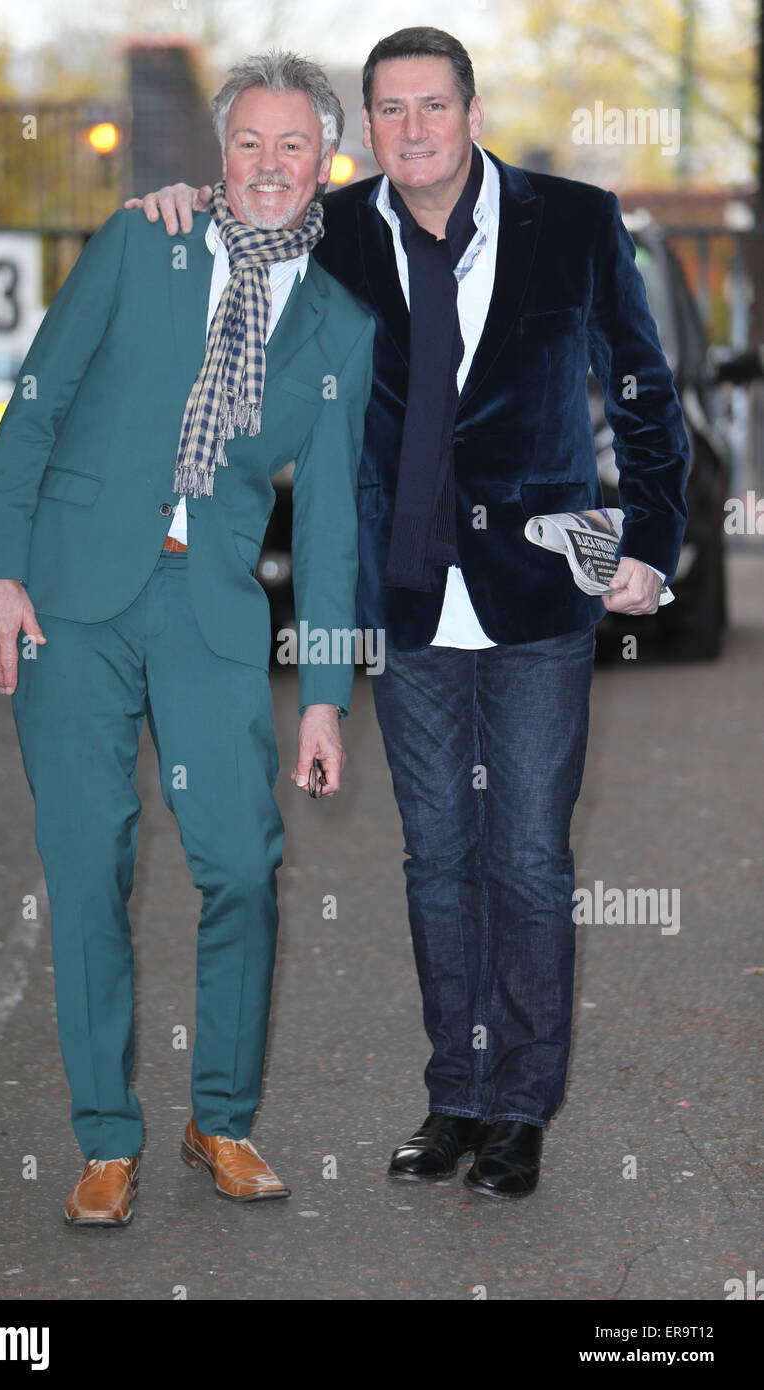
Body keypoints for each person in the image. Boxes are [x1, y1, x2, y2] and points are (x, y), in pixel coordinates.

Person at [129, 26, 689, 1202]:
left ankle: (521, 1110)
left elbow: (639, 383)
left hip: (537, 596)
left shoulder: (573, 223)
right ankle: (458, 1096)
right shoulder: (331, 235)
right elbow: (237, 242)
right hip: (407, 596)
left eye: (432, 106)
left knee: (528, 861)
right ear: (366, 129)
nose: (413, 130)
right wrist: (183, 197)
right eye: (388, 111)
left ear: (470, 112)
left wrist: (647, 537)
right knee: (435, 859)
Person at [0, 51, 375, 1224]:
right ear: (220, 154)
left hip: (209, 613)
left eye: (292, 146)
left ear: (325, 166)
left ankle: (221, 1118)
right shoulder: (144, 243)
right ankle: (105, 1137)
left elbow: (336, 531)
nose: (267, 166)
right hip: (72, 599)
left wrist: (329, 696)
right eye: (247, 142)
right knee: (87, 864)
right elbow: (32, 405)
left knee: (241, 861)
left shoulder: (341, 329)